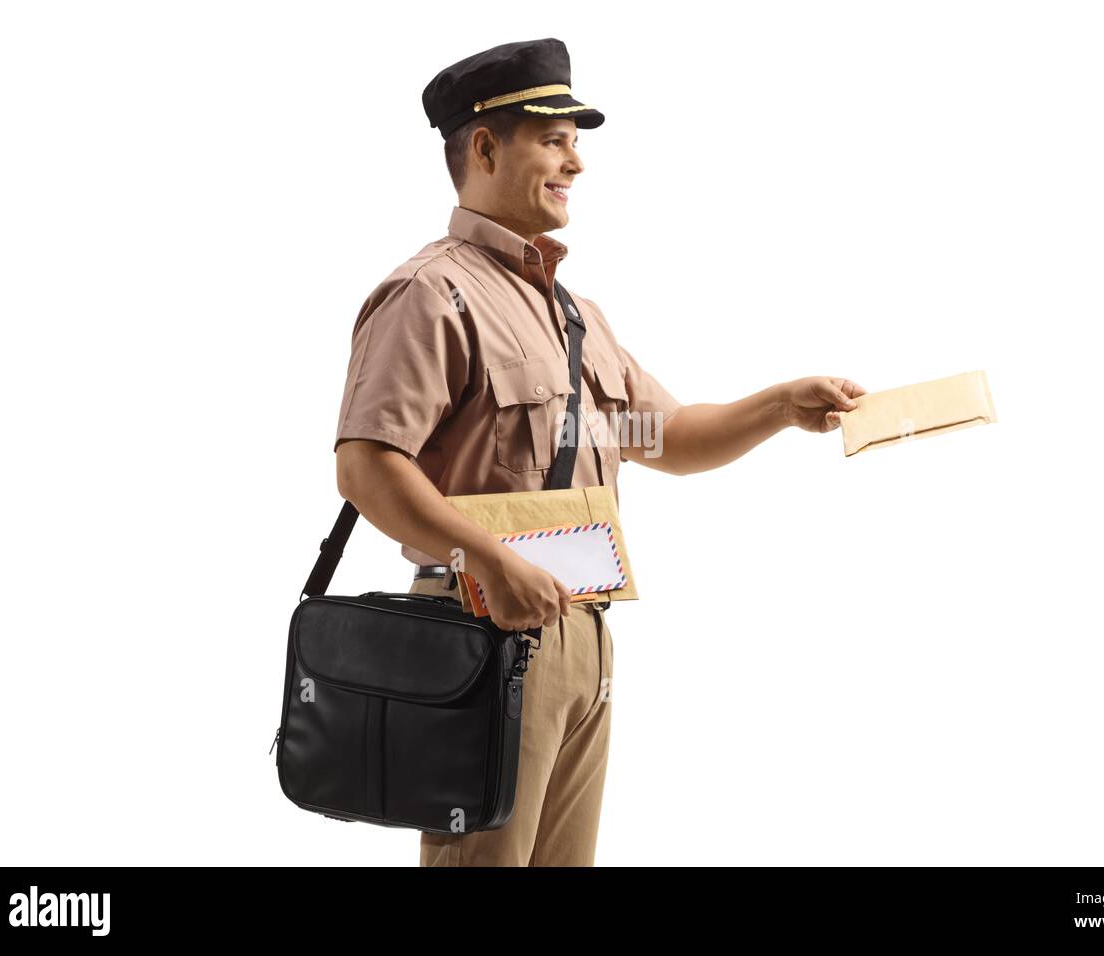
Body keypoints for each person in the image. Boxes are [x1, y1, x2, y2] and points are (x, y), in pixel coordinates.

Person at [332, 37, 866, 866]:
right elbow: (367, 465)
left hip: (581, 636)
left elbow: (667, 436)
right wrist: (490, 559)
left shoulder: (575, 317)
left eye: (576, 142)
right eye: (554, 138)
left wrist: (777, 406)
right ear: (483, 147)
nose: (575, 163)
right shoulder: (430, 293)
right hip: (479, 626)